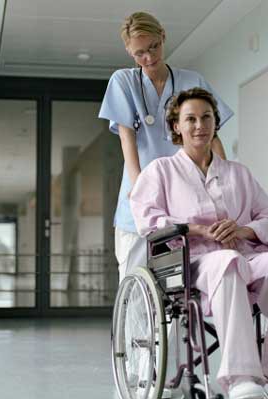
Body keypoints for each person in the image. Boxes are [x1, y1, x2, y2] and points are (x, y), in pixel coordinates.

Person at [129, 88, 268, 399]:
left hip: (244, 254)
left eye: (207, 117)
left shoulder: (238, 173)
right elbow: (147, 219)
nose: (200, 125)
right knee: (226, 261)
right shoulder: (161, 171)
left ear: (215, 122)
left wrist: (243, 229)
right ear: (176, 126)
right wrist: (197, 229)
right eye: (191, 119)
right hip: (191, 261)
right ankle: (241, 378)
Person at [98, 11, 233, 283]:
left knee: (180, 286)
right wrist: (141, 192)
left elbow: (212, 138)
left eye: (153, 47)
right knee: (135, 283)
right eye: (139, 54)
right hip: (139, 198)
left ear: (163, 36)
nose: (148, 58)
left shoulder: (191, 81)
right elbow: (128, 139)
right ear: (129, 52)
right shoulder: (123, 81)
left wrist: (226, 185)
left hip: (185, 196)